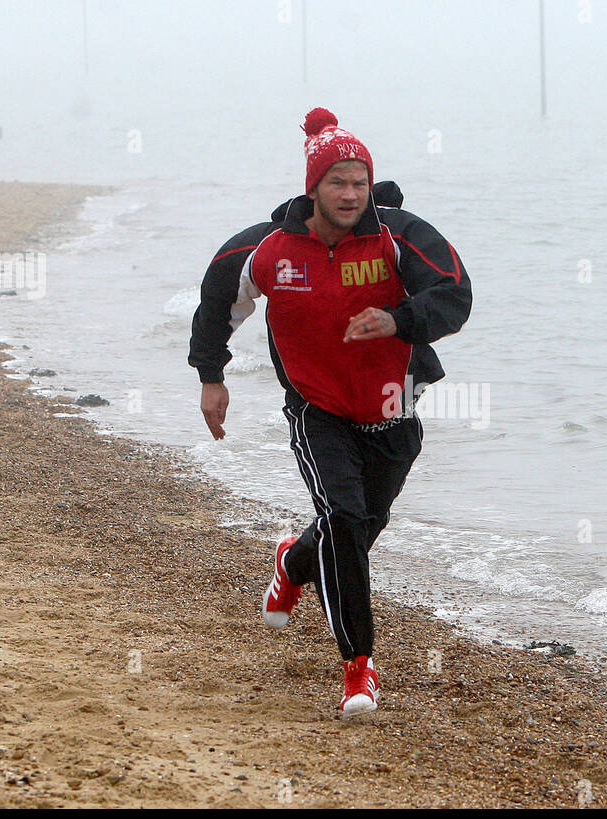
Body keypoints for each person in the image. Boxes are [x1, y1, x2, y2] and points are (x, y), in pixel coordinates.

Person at [188, 108, 473, 718]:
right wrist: (211, 377)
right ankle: (358, 667)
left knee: (362, 526)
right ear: (312, 186)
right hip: (316, 407)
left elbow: (454, 295)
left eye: (359, 182)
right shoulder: (267, 248)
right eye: (337, 181)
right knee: (344, 519)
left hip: (393, 406)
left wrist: (398, 320)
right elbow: (216, 302)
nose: (350, 194)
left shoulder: (399, 235)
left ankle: (293, 562)